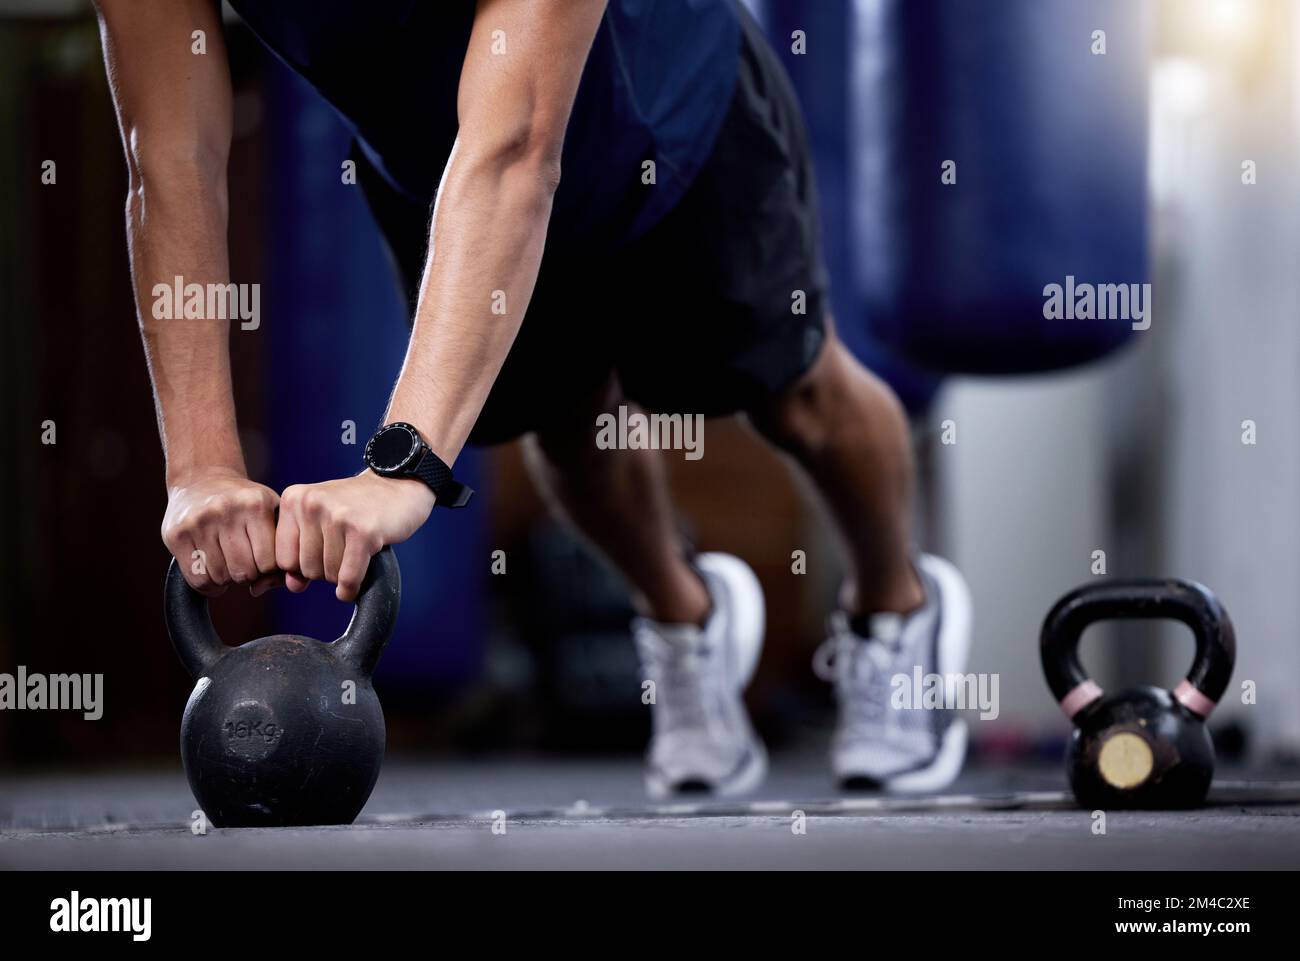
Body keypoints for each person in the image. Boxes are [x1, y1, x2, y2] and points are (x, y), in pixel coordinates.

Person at [95, 0, 972, 797]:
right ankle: (684, 619)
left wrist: (405, 460)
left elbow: (517, 147)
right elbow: (168, 160)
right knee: (565, 426)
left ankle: (897, 608)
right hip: (438, 164)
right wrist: (201, 465)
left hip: (665, 108)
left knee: (793, 398)